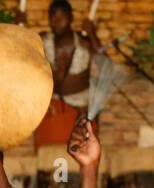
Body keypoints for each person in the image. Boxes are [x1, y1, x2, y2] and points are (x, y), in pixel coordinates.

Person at [16, 0, 100, 147]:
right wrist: (18, 27)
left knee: (80, 151)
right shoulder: (42, 40)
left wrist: (92, 34)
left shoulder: (84, 41)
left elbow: (104, 60)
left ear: (71, 18)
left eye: (61, 17)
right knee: (49, 153)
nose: (57, 21)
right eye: (53, 17)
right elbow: (19, 52)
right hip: (53, 106)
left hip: (81, 107)